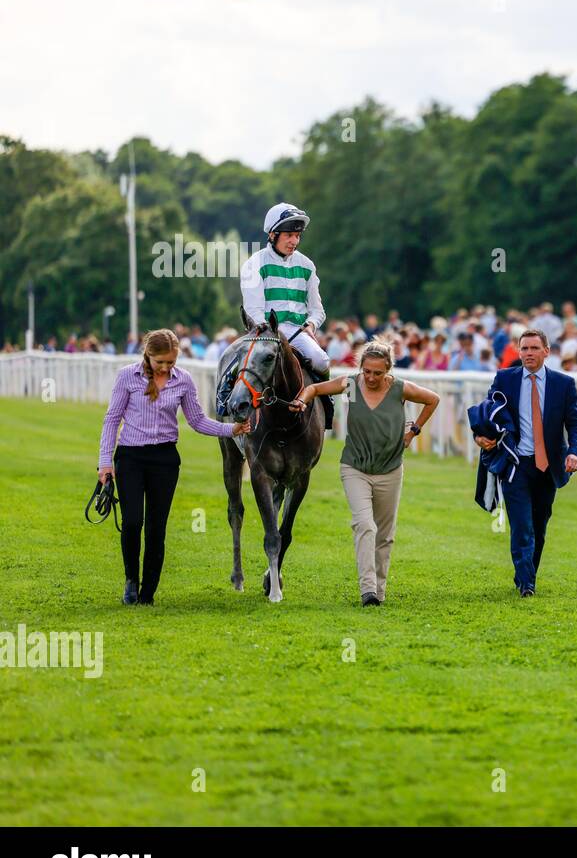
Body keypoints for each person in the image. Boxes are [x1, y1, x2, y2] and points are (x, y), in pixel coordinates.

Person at [98, 329, 251, 605]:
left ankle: (148, 592)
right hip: (130, 457)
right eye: (161, 363)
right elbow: (111, 420)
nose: (166, 367)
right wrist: (104, 464)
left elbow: (198, 421)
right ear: (148, 355)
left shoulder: (184, 381)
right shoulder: (127, 378)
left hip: (165, 460)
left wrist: (232, 429)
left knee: (157, 528)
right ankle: (131, 581)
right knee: (132, 522)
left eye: (171, 362)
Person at [288, 340, 440, 606]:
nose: (370, 377)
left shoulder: (399, 389)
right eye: (367, 371)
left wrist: (413, 431)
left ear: (388, 371)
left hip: (390, 470)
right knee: (365, 525)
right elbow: (313, 388)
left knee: (385, 534)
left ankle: (380, 590)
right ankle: (367, 590)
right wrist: (301, 400)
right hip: (354, 468)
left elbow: (432, 399)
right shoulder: (352, 386)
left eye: (377, 373)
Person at [474, 329, 577, 597]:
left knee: (539, 525)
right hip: (516, 464)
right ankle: (527, 584)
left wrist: (574, 451)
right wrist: (480, 436)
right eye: (524, 349)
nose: (528, 354)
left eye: (534, 348)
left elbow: (575, 422)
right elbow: (487, 413)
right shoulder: (504, 379)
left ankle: (526, 573)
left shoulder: (564, 384)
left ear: (546, 351)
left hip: (549, 466)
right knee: (522, 525)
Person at [216, 203, 334, 428]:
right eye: (289, 235)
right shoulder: (255, 264)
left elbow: (318, 310)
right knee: (231, 359)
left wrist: (311, 324)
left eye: (297, 235)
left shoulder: (307, 265)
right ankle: (224, 399)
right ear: (272, 234)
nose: (294, 241)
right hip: (263, 331)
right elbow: (252, 307)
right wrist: (266, 328)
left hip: (297, 331)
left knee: (321, 360)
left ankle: (326, 409)